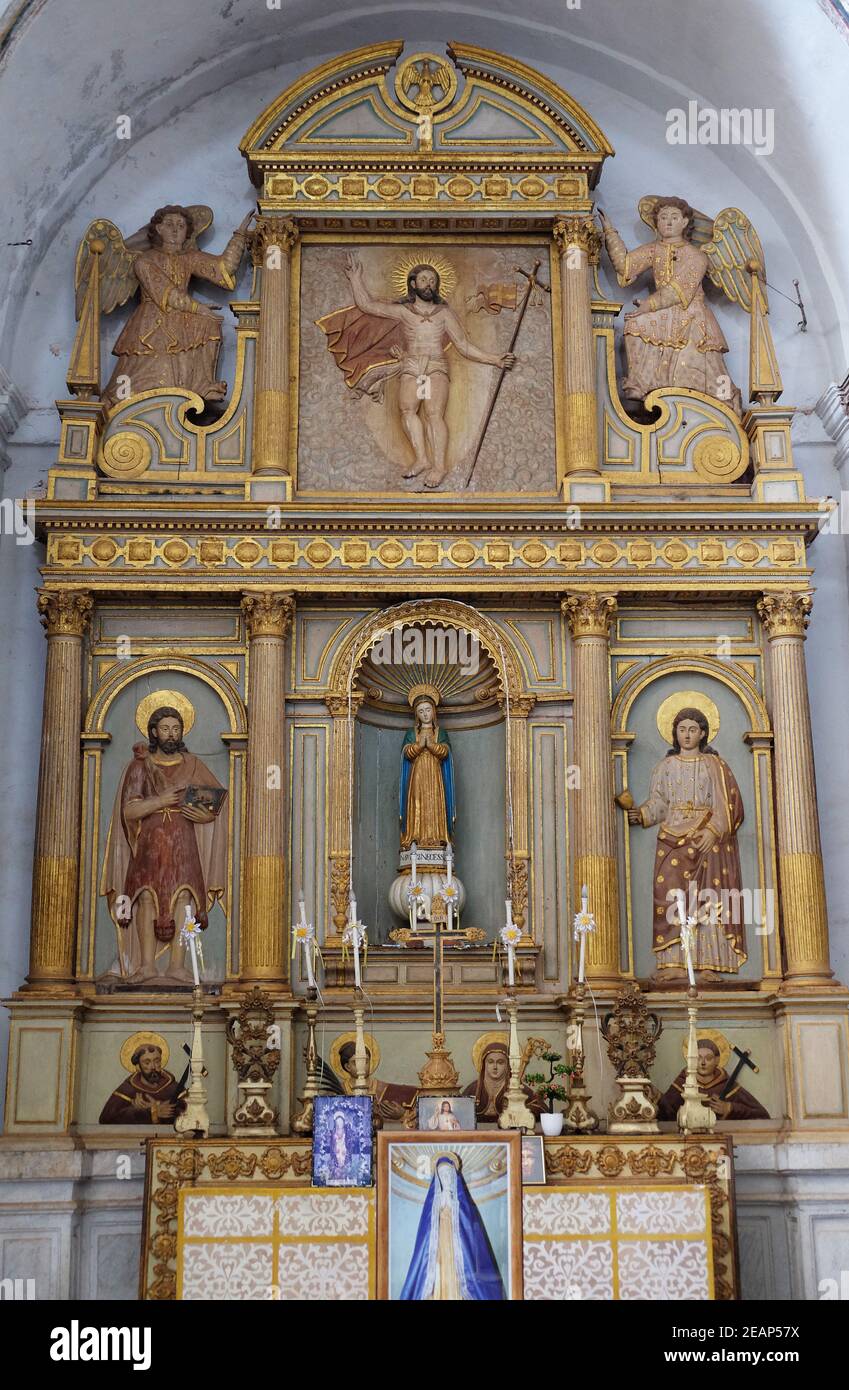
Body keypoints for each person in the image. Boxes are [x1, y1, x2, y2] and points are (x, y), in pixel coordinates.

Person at [320, 256, 514, 487]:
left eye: (432, 279)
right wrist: (355, 279)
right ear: (413, 284)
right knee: (408, 409)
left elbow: (463, 345)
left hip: (434, 365)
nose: (429, 283)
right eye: (424, 279)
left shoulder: (443, 314)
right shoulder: (404, 312)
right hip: (413, 365)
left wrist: (494, 359)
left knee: (434, 414)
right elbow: (368, 306)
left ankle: (439, 467)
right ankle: (421, 459)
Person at [101, 706, 227, 985]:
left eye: (176, 729)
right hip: (150, 844)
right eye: (166, 728)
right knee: (146, 897)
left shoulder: (192, 764)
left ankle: (177, 966)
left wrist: (205, 815)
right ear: (154, 732)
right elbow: (129, 811)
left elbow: (215, 805)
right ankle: (146, 965)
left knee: (185, 897)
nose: (171, 734)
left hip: (183, 842)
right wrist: (160, 801)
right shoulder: (139, 766)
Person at [625, 707, 745, 985]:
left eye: (693, 729)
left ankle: (709, 962)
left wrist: (714, 831)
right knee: (671, 898)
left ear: (703, 733)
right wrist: (641, 814)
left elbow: (732, 805)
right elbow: (659, 804)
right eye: (682, 729)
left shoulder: (715, 765)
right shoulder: (664, 767)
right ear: (674, 733)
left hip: (707, 841)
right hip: (671, 840)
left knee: (708, 899)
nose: (687, 735)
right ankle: (674, 962)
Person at [600, 198, 742, 413]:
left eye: (674, 218)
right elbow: (626, 266)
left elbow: (679, 289)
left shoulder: (696, 256)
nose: (668, 222)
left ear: (685, 222)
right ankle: (641, 385)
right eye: (663, 218)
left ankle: (725, 400)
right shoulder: (654, 250)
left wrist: (649, 304)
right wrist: (610, 233)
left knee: (705, 368)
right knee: (635, 325)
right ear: (656, 222)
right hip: (663, 313)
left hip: (691, 314)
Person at [400, 1156, 505, 1300]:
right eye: (442, 1175)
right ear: (438, 1178)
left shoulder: (461, 1203)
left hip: (456, 1249)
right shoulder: (433, 1203)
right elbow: (425, 1236)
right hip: (438, 1247)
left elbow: (469, 1234)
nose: (446, 1178)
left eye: (448, 1175)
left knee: (454, 1276)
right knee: (439, 1275)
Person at [658, 1038, 768, 1121]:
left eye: (709, 1058)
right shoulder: (682, 1083)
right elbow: (663, 1116)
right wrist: (656, 1096)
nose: (703, 1063)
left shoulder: (727, 1085)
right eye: (698, 1058)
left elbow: (761, 1115)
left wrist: (730, 1108)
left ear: (717, 1060)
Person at [400, 688, 455, 850]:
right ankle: (415, 836)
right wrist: (418, 746)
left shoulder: (440, 732)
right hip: (417, 773)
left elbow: (445, 752)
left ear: (434, 712)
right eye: (421, 711)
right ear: (417, 714)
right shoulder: (411, 733)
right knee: (418, 801)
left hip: (435, 773)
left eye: (428, 710)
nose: (425, 714)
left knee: (435, 802)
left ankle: (437, 838)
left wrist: (431, 745)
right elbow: (406, 753)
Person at [99, 1044, 185, 1125]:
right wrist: (152, 1112)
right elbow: (107, 1118)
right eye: (147, 1063)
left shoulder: (173, 1087)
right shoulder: (128, 1089)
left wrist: (158, 1106)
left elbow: (190, 1112)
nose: (153, 1067)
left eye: (157, 1061)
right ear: (138, 1067)